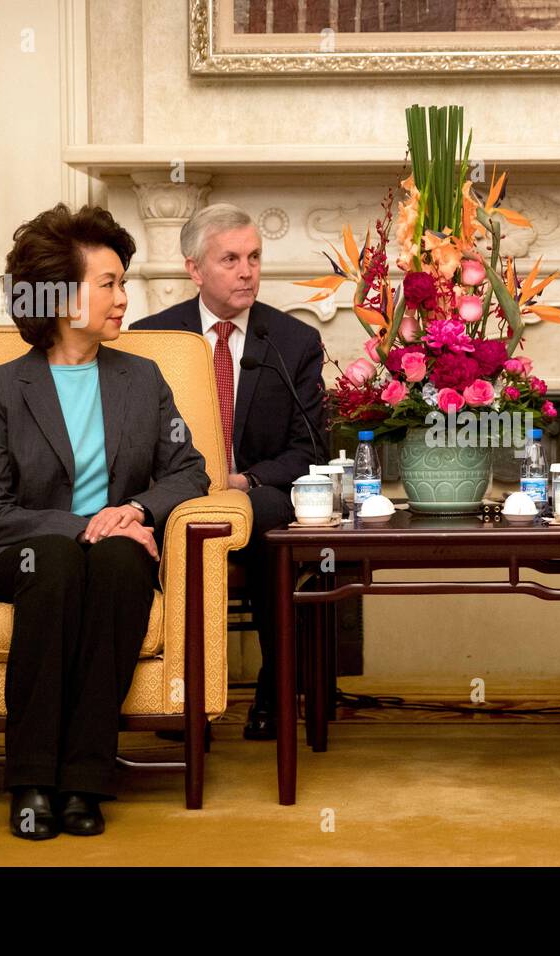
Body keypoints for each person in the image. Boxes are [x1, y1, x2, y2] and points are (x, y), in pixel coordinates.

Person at [0, 203, 210, 840]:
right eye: (108, 283)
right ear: (57, 296)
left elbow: (190, 471)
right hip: (21, 553)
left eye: (122, 282)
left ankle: (84, 781)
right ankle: (30, 781)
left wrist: (133, 512)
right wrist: (82, 525)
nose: (122, 297)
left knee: (115, 559)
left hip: (119, 552)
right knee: (55, 558)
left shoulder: (143, 379)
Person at [133, 204, 326, 741]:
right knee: (166, 521)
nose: (247, 271)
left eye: (254, 257)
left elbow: (311, 448)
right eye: (231, 259)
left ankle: (274, 686)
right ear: (194, 268)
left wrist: (242, 481)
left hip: (257, 499)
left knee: (266, 520)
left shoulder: (292, 342)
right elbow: (129, 445)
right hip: (178, 498)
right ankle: (180, 692)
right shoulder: (151, 340)